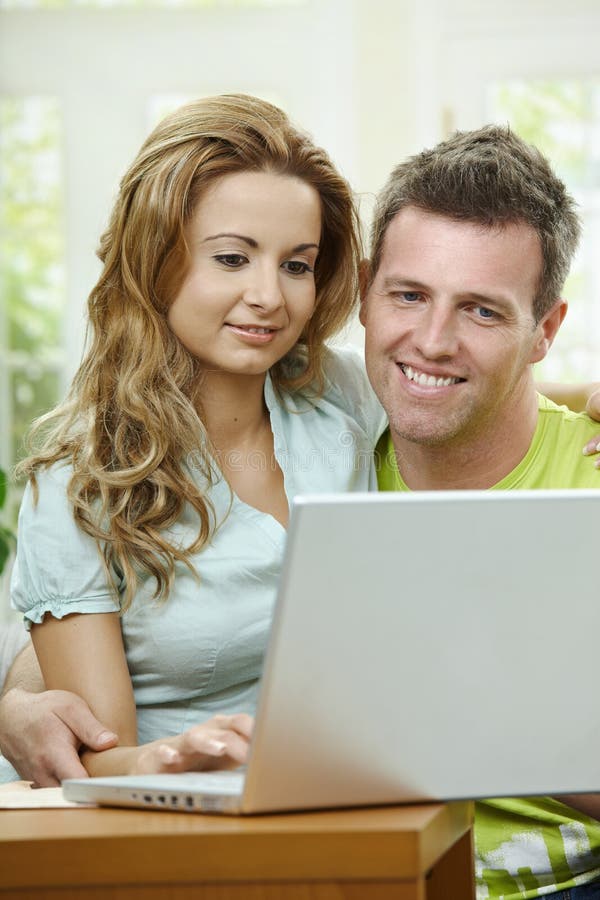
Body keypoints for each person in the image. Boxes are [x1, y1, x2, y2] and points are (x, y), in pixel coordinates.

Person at [0, 93, 386, 783]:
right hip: (175, 832)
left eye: (297, 264)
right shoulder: (79, 477)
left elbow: (477, 401)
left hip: (342, 798)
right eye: (234, 258)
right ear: (157, 259)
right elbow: (94, 755)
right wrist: (170, 758)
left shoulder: (340, 395)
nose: (270, 295)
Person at [359, 125, 600, 900]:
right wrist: (22, 694)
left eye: (482, 313)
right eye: (408, 294)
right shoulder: (314, 453)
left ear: (545, 333)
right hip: (357, 874)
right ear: (365, 291)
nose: (430, 342)